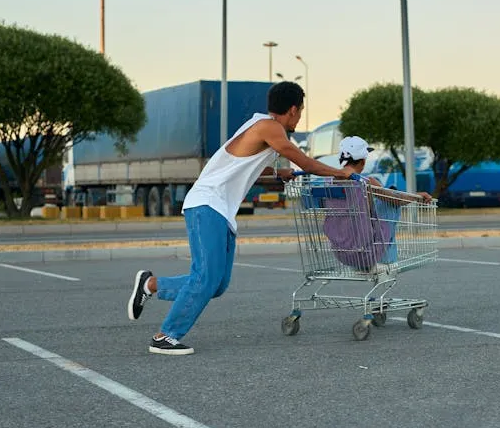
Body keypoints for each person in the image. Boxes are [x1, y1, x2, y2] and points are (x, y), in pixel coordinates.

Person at [126, 81, 353, 355]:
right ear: (293, 110)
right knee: (206, 277)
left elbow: (245, 168)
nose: (300, 117)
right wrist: (340, 173)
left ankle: (150, 285)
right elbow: (303, 161)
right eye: (301, 111)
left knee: (217, 284)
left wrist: (275, 174)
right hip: (207, 204)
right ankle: (165, 336)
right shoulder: (271, 127)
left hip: (220, 209)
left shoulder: (261, 127)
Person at [320, 136, 432, 272]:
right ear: (362, 160)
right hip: (365, 252)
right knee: (389, 201)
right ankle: (386, 261)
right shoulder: (366, 182)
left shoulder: (329, 182)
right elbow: (397, 200)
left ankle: (360, 267)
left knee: (371, 204)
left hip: (341, 253)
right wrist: (417, 196)